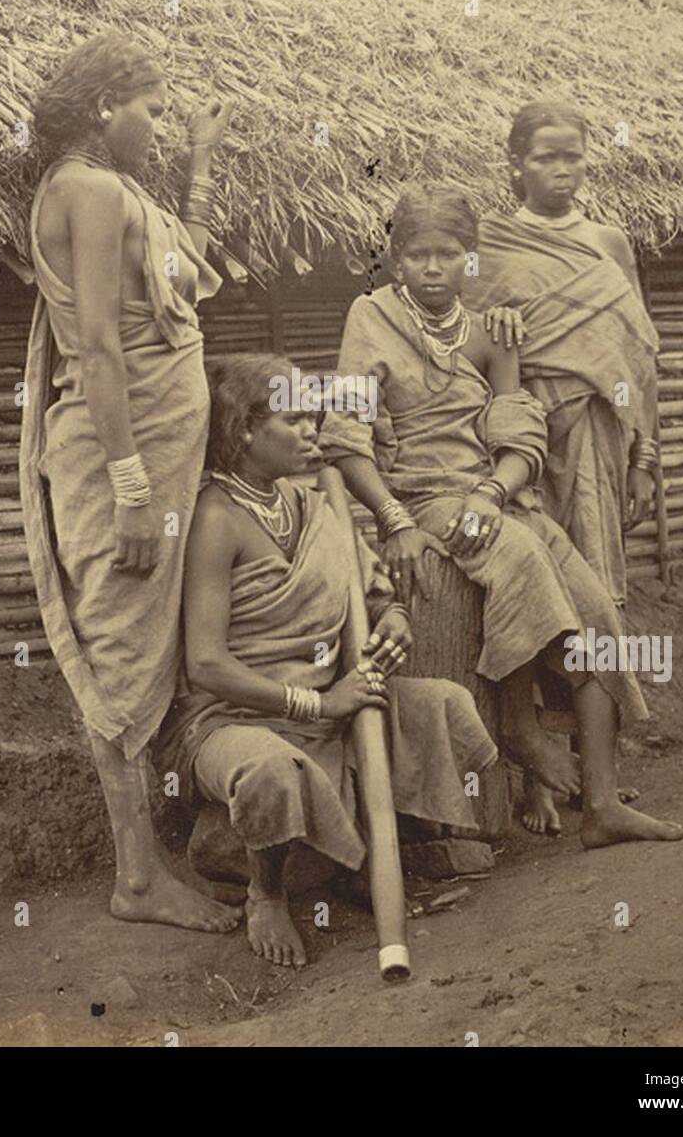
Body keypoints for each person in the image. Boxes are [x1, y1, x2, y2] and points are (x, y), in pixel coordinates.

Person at [319, 183, 683, 851]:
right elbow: (345, 438)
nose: (433, 268)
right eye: (418, 255)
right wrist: (395, 521)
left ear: (470, 260)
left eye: (449, 254)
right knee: (516, 560)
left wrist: (492, 492)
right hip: (424, 500)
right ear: (395, 260)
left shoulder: (489, 334)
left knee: (594, 608)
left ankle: (601, 804)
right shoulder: (368, 317)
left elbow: (521, 438)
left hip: (494, 497)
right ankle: (516, 726)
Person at [159, 354, 499, 967]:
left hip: (332, 698)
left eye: (314, 418)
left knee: (444, 705)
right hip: (235, 717)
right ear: (243, 432)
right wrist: (317, 702)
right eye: (295, 420)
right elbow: (206, 665)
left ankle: (362, 859)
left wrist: (393, 617)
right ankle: (267, 892)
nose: (313, 432)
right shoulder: (216, 519)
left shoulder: (315, 501)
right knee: (272, 771)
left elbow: (371, 591)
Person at [19, 32, 241, 932]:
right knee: (117, 652)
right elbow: (102, 346)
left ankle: (173, 855)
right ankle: (136, 880)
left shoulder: (113, 189)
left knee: (147, 643)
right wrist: (131, 486)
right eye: (152, 109)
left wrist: (196, 164)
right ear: (106, 104)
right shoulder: (88, 190)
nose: (156, 123)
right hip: (123, 459)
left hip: (153, 450)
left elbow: (182, 273)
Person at [465, 101, 661, 833]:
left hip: (602, 439)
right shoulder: (487, 244)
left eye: (573, 156)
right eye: (545, 157)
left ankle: (593, 775)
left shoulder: (608, 242)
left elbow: (637, 355)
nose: (561, 170)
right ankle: (537, 782)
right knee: (538, 600)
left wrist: (646, 456)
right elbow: (461, 347)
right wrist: (496, 328)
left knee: (597, 595)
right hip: (526, 442)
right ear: (514, 163)